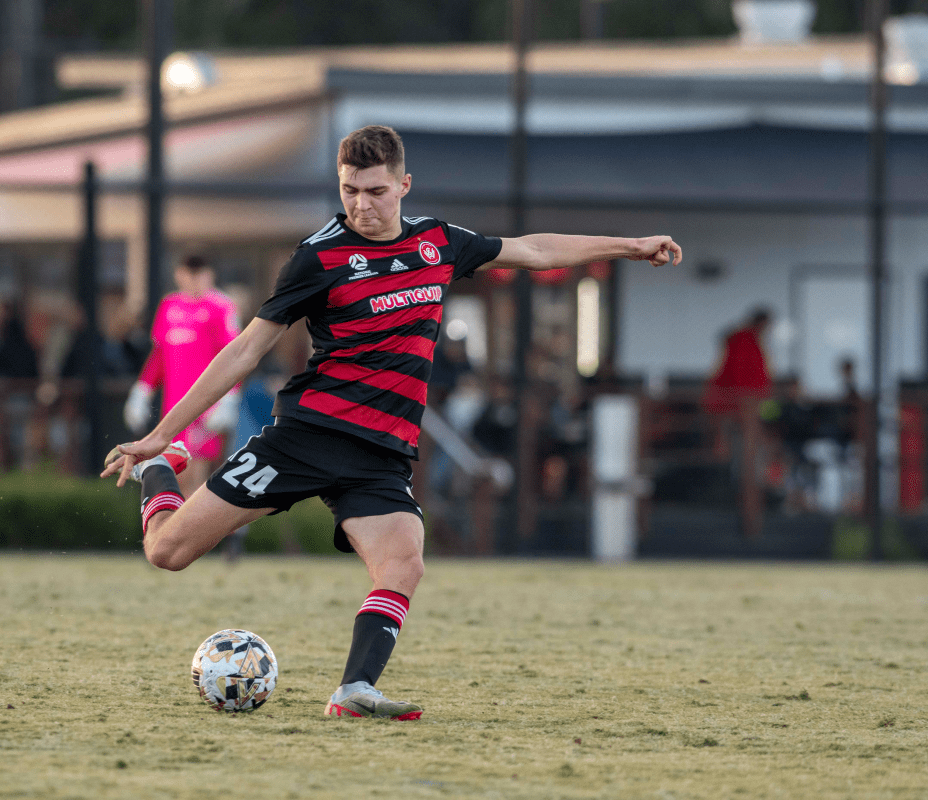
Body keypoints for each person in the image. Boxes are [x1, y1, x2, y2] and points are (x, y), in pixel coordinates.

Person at [101, 125, 681, 720]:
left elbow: (535, 249)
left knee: (404, 561)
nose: (361, 204)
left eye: (376, 191)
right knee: (167, 553)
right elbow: (245, 351)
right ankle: (158, 471)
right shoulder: (317, 256)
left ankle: (354, 691)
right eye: (350, 189)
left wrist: (629, 246)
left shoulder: (437, 243)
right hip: (307, 437)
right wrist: (160, 434)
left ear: (404, 185)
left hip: (380, 451)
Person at [124, 255, 241, 494]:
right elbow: (159, 356)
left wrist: (229, 397)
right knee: (172, 480)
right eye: (190, 274)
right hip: (173, 409)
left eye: (200, 274)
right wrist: (142, 391)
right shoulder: (169, 305)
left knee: (195, 479)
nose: (195, 280)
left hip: (205, 408)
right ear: (179, 274)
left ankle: (207, 531)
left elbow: (236, 356)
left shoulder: (221, 307)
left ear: (210, 275)